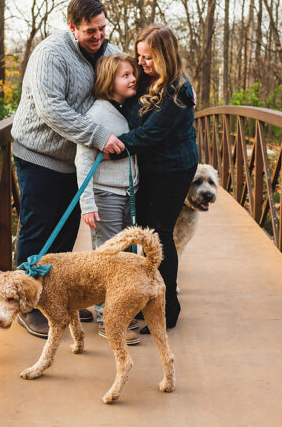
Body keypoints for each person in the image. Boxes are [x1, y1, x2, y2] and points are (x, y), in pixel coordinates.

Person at [11, 0, 125, 338]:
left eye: (102, 28)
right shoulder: (50, 54)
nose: (98, 36)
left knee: (64, 236)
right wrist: (97, 135)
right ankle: (26, 306)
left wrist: (179, 88)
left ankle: (54, 301)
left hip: (74, 160)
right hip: (39, 156)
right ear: (72, 27)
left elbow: (133, 77)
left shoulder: (107, 49)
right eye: (91, 30)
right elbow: (51, 109)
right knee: (38, 231)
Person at [113, 24, 198, 331]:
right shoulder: (147, 77)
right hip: (152, 166)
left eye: (148, 57)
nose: (142, 62)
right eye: (140, 56)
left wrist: (111, 147)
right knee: (146, 232)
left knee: (159, 233)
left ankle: (167, 309)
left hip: (173, 168)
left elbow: (150, 134)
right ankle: (146, 299)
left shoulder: (178, 93)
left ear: (164, 56)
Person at [75, 53, 141, 345]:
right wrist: (87, 204)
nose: (132, 79)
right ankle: (106, 321)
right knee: (109, 261)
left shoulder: (125, 109)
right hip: (106, 196)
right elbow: (83, 161)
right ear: (108, 81)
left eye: (132, 74)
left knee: (126, 259)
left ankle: (120, 313)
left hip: (128, 194)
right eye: (125, 75)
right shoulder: (99, 114)